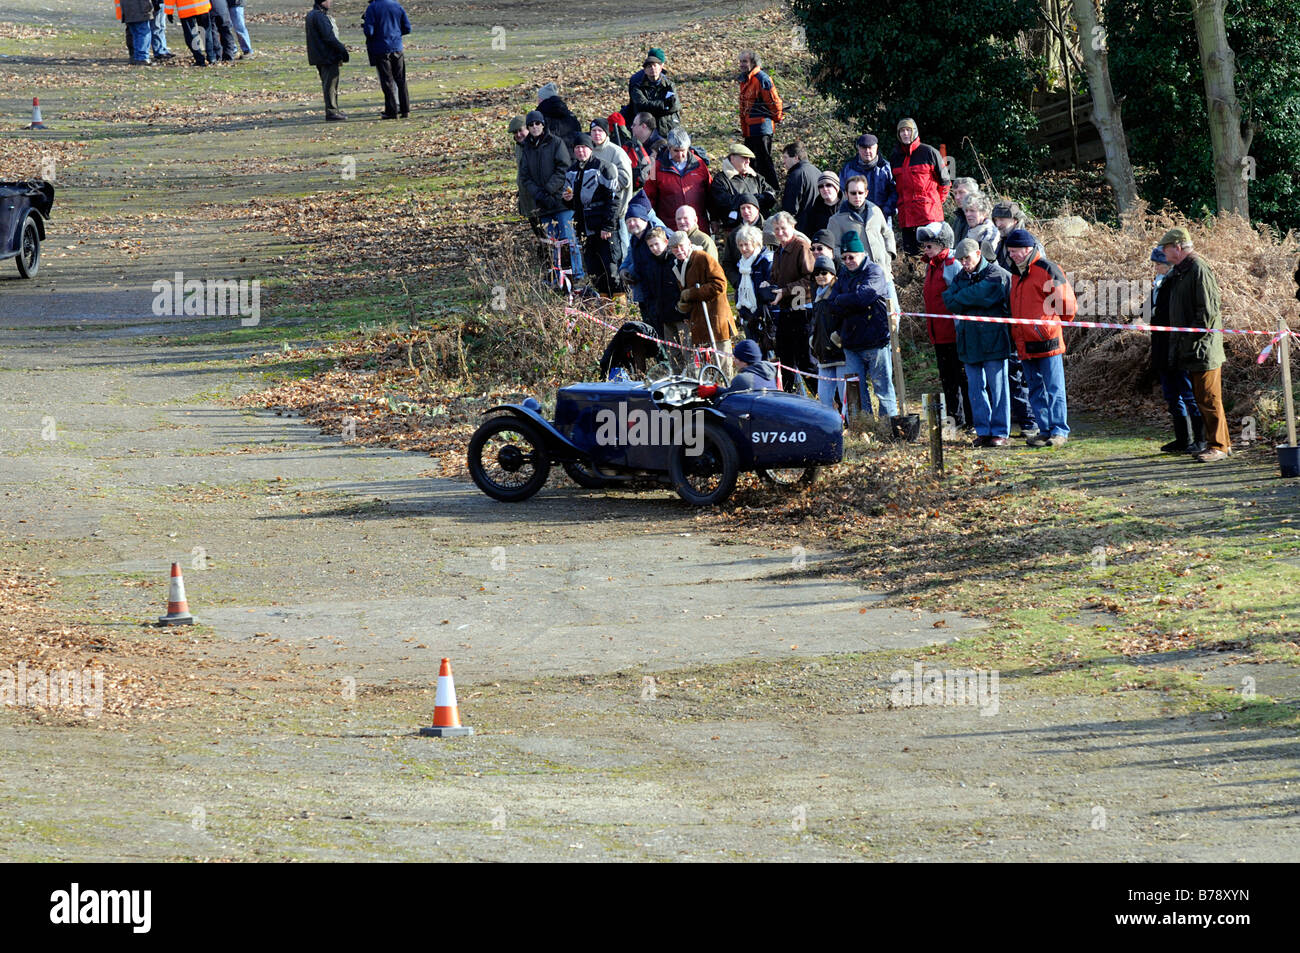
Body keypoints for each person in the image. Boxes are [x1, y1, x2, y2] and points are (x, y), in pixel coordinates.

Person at [1160, 226, 1230, 462]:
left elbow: (1207, 312)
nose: (1163, 252)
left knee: (1209, 399)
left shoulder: (1198, 268)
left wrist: (1189, 340)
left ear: (1178, 247)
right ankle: (1223, 443)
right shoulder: (1181, 271)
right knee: (1204, 398)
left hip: (1203, 347)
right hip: (1194, 347)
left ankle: (1218, 447)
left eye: (1166, 248)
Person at [1004, 228, 1073, 447]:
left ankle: (1059, 431)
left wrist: (1048, 325)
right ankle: (1045, 430)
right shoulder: (1015, 274)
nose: (1011, 255)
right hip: (1024, 342)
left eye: (1014, 251)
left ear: (1027, 249)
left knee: (1054, 389)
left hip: (1047, 340)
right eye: (1009, 251)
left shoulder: (1047, 268)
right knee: (1035, 389)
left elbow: (1067, 304)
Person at [944, 238, 1013, 447]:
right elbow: (949, 301)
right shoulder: (960, 276)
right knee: (975, 389)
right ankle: (983, 430)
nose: (964, 263)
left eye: (967, 258)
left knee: (998, 388)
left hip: (994, 339)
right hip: (969, 340)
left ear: (978, 254)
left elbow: (985, 294)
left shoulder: (996, 273)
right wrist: (973, 298)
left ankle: (1000, 431)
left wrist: (963, 297)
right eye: (961, 260)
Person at [826, 232, 895, 419]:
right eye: (844, 258)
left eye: (851, 257)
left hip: (876, 340)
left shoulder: (875, 272)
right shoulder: (843, 275)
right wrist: (849, 300)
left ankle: (888, 426)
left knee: (883, 388)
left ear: (862, 254)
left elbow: (864, 296)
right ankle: (863, 426)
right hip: (851, 342)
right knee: (856, 390)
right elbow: (831, 303)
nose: (848, 261)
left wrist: (843, 300)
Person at [1147, 245, 1204, 453]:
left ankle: (1201, 440)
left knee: (1188, 394)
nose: (1156, 268)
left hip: (1178, 346)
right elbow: (1148, 312)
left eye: (1159, 264)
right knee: (1172, 395)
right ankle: (1183, 439)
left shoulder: (1177, 284)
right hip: (1161, 346)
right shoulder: (1158, 284)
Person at [990, 200, 1039, 435]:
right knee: (1014, 371)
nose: (999, 224)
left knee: (1024, 373)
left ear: (1016, 220)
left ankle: (1031, 421)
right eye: (996, 219)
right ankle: (1024, 418)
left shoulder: (1028, 245)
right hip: (1008, 314)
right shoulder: (1001, 244)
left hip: (1026, 317)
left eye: (1003, 219)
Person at [518, 110, 583, 286]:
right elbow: (524, 176)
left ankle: (577, 274)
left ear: (543, 124)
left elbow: (563, 168)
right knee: (552, 242)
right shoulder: (526, 148)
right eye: (531, 125)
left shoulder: (556, 142)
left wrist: (549, 189)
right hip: (542, 203)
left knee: (568, 238)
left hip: (560, 200)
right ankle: (559, 275)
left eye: (537, 123)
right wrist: (538, 193)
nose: (534, 127)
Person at [918, 221, 970, 431]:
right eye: (924, 245)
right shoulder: (931, 265)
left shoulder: (952, 264)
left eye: (929, 245)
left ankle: (970, 419)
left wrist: (961, 328)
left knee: (961, 378)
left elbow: (960, 297)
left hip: (954, 333)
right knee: (947, 378)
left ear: (942, 244)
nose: (926, 249)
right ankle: (955, 418)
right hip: (938, 333)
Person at [564, 133, 623, 298]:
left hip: (604, 228)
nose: (580, 151)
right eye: (577, 148)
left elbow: (614, 199)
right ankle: (604, 306)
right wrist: (567, 200)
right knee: (594, 271)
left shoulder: (604, 167)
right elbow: (572, 204)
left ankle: (621, 307)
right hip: (584, 229)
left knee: (611, 269)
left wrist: (608, 226)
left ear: (590, 149)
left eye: (584, 147)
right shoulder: (571, 171)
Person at [671, 230, 736, 369]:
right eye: (675, 248)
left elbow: (720, 285)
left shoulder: (702, 257)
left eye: (681, 246)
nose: (679, 250)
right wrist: (685, 303)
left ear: (689, 244)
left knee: (723, 364)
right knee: (707, 367)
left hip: (716, 319)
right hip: (700, 321)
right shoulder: (678, 265)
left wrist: (692, 293)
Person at [768, 210, 816, 393]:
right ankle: (788, 398)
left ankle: (829, 400)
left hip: (802, 308)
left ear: (793, 226)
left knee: (805, 361)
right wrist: (769, 285)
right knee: (784, 360)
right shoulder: (778, 251)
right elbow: (777, 278)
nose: (780, 232)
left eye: (783, 228)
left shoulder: (801, 246)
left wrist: (785, 291)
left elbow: (811, 279)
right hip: (785, 310)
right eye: (776, 229)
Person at [891, 118, 951, 256]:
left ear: (915, 132)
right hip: (907, 219)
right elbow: (895, 185)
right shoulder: (895, 157)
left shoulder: (929, 152)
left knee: (933, 256)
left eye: (908, 130)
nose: (905, 134)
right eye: (902, 131)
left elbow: (945, 182)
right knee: (911, 258)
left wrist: (935, 203)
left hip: (929, 217)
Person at [644, 129, 712, 235]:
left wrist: (714, 219)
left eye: (683, 151)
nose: (680, 155)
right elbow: (648, 197)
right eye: (676, 151)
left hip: (698, 228)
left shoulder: (699, 164)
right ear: (669, 148)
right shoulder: (655, 168)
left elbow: (710, 193)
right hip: (669, 229)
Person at [618, 193, 669, 329]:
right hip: (644, 294)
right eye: (628, 221)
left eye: (634, 219)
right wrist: (623, 270)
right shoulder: (635, 239)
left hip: (660, 294)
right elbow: (629, 257)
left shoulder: (657, 234)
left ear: (644, 219)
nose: (631, 224)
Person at [737, 50, 784, 191]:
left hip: (762, 129)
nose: (741, 64)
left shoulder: (761, 78)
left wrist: (777, 118)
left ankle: (774, 190)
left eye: (744, 61)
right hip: (750, 129)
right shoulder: (745, 79)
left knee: (764, 162)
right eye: (740, 61)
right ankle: (757, 190)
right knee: (751, 162)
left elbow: (774, 102)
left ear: (753, 63)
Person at [827, 175, 896, 268]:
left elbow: (887, 233)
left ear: (866, 193)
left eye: (860, 193)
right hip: (857, 274)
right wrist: (850, 262)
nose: (857, 196)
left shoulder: (875, 211)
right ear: (846, 194)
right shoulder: (836, 220)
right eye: (853, 193)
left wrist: (889, 255)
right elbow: (833, 248)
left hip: (884, 271)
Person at [730, 223, 775, 356]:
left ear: (756, 243)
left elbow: (770, 291)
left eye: (747, 244)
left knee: (770, 356)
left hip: (766, 318)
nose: (743, 249)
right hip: (748, 316)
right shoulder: (742, 264)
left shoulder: (766, 261)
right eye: (740, 245)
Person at [809, 255, 846, 410]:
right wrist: (813, 339)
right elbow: (814, 322)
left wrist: (838, 338)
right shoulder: (816, 296)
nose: (820, 276)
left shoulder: (838, 294)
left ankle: (853, 424)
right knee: (824, 398)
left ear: (833, 275)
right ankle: (830, 424)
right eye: (817, 273)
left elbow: (846, 319)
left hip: (840, 355)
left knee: (846, 398)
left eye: (824, 272)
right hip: (823, 354)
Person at [363, 0, 411, 119]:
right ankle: (405, 110)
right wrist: (396, 34)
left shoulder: (372, 7)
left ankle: (391, 111)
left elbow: (369, 31)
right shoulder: (397, 5)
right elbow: (407, 28)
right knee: (401, 80)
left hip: (381, 49)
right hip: (397, 47)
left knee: (387, 81)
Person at [710, 143, 776, 229]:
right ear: (732, 158)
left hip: (761, 225)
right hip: (735, 228)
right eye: (744, 158)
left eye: (749, 158)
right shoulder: (720, 180)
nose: (748, 161)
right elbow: (722, 202)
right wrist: (750, 199)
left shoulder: (756, 177)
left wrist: (760, 198)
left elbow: (771, 194)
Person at [306, 0, 349, 120]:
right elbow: (329, 37)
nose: (330, 2)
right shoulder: (320, 16)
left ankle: (333, 110)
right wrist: (342, 50)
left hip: (319, 56)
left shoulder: (312, 15)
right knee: (331, 85)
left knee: (328, 84)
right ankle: (332, 111)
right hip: (327, 56)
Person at [839, 134, 896, 222]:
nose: (867, 151)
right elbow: (842, 192)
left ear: (876, 147)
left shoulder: (887, 169)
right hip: (853, 219)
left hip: (882, 218)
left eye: (870, 148)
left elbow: (895, 192)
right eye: (864, 148)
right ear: (858, 148)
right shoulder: (848, 169)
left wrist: (885, 211)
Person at [625, 48, 680, 137]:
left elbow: (675, 106)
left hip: (668, 126)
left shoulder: (669, 85)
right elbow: (642, 106)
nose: (652, 68)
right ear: (645, 70)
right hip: (647, 129)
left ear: (661, 67)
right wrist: (664, 105)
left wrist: (653, 107)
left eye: (655, 65)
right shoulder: (637, 87)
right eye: (649, 66)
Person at [721, 194, 768, 289]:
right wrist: (737, 282)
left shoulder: (769, 230)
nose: (746, 211)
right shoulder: (734, 234)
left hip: (765, 286)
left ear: (757, 209)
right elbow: (727, 263)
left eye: (749, 207)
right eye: (743, 208)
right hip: (742, 286)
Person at [780, 141, 820, 235]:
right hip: (817, 227)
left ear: (796, 158)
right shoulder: (818, 172)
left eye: (785, 157)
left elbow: (790, 209)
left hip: (801, 229)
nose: (783, 161)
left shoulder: (795, 175)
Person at [628, 112, 668, 190]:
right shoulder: (636, 143)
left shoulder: (661, 147)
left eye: (634, 125)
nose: (631, 127)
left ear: (643, 126)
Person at [166, 0, 212, 67]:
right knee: (206, 33)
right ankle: (211, 57)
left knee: (191, 36)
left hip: (186, 9)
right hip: (202, 6)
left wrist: (169, 12)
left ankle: (200, 59)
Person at [536, 82, 580, 148]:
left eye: (539, 98)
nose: (537, 101)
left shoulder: (539, 118)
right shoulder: (571, 116)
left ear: (542, 99)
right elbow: (579, 137)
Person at [115, 0, 155, 65]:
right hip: (141, 8)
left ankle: (136, 57)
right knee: (143, 33)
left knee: (135, 33)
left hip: (127, 9)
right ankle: (142, 57)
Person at [804, 172, 841, 238]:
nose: (825, 189)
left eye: (828, 185)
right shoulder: (814, 211)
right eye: (821, 186)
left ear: (836, 187)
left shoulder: (847, 207)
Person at [948, 177, 980, 246]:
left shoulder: (979, 217)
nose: (957, 197)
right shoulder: (958, 218)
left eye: (961, 192)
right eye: (955, 193)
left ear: (973, 193)